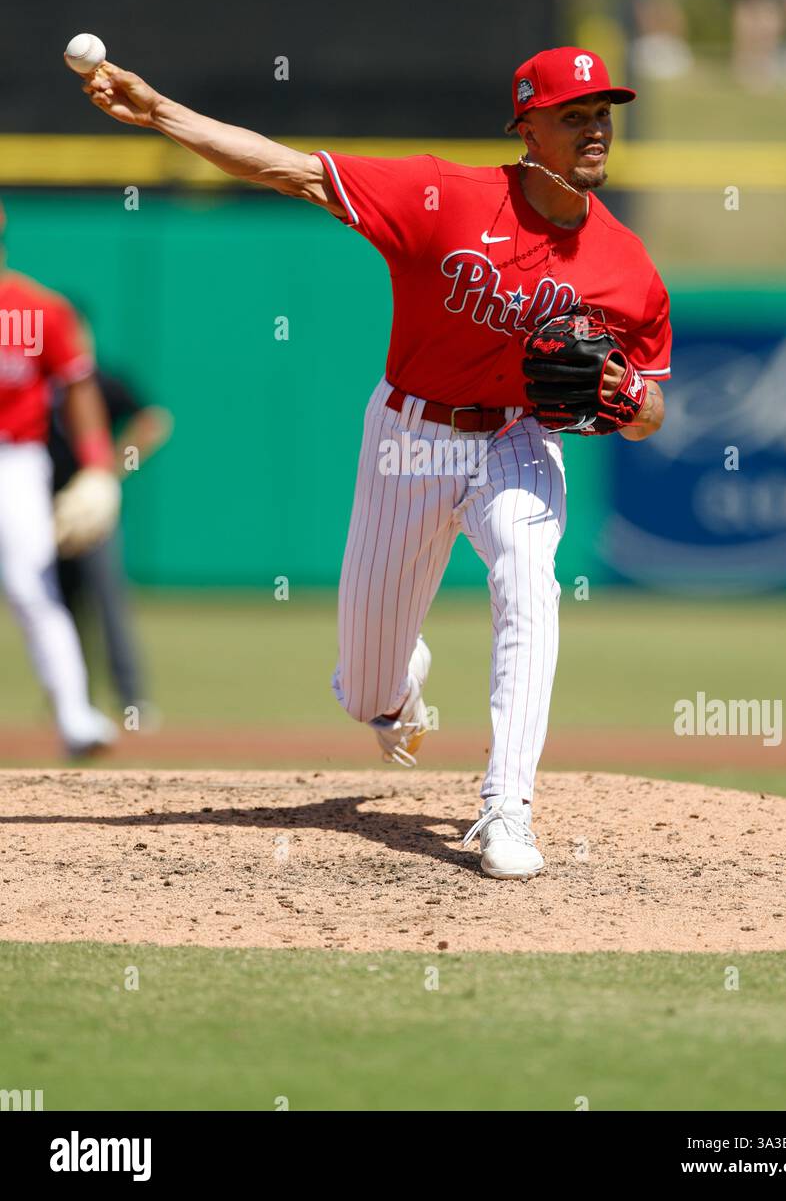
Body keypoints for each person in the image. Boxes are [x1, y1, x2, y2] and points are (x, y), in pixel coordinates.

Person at [80, 45, 672, 878]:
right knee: (365, 691)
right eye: (574, 115)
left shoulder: (628, 267)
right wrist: (161, 112)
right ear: (526, 127)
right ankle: (397, 687)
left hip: (520, 440)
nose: (596, 130)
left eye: (603, 113)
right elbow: (294, 172)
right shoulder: (445, 197)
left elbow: (650, 409)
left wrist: (630, 402)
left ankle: (508, 808)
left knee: (529, 582)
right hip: (410, 435)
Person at [0, 204, 119, 756]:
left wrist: (97, 466)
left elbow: (79, 383)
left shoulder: (38, 307)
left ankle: (75, 718)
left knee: (31, 586)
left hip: (15, 462)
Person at [49, 335, 173, 725]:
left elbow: (153, 420)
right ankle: (71, 705)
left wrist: (110, 474)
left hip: (90, 512)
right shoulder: (39, 380)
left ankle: (132, 702)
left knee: (108, 605)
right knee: (56, 609)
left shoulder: (101, 380)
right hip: (45, 509)